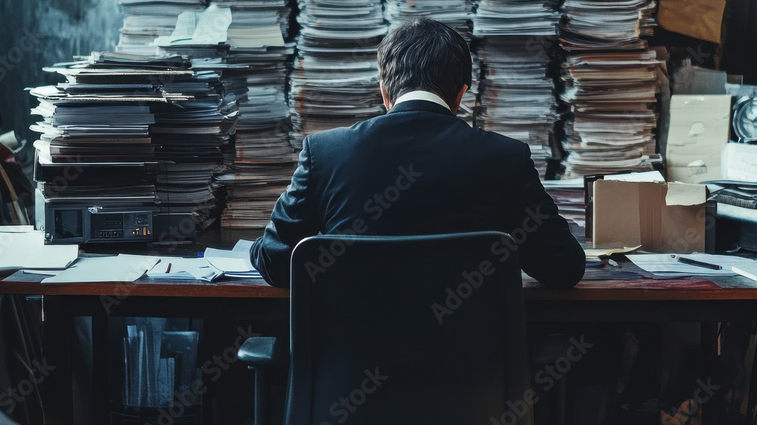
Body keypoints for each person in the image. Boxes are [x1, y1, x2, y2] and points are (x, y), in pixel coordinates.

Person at [250, 17, 585, 288]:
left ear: (384, 92)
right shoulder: (505, 157)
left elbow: (275, 264)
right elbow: (564, 269)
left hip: (347, 368)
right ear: (460, 95)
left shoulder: (325, 152)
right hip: (472, 368)